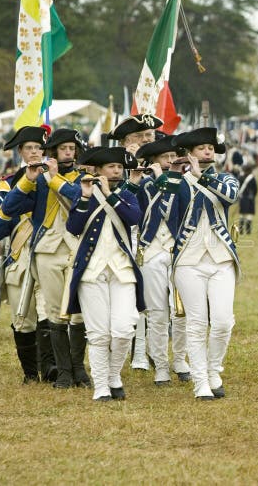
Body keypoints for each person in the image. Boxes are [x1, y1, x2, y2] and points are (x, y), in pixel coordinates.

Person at [0, 128, 87, 390]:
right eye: (64, 149)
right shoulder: (36, 180)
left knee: (78, 313)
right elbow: (10, 208)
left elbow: (79, 197)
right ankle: (62, 372)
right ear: (54, 152)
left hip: (76, 249)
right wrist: (27, 179)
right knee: (54, 314)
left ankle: (78, 369)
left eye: (72, 149)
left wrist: (53, 177)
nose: (69, 153)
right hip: (47, 251)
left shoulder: (83, 178)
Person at [65, 147, 145, 401]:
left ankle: (113, 376)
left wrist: (109, 195)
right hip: (91, 272)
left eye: (119, 167)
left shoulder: (128, 194)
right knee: (99, 334)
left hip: (122, 271)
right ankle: (101, 386)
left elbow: (134, 218)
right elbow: (73, 227)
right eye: (111, 167)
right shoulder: (84, 193)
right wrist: (87, 197)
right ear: (98, 170)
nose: (117, 170)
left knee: (123, 329)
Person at [166, 127, 240, 400]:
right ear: (189, 153)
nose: (207, 151)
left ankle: (214, 369)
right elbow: (163, 211)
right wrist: (175, 176)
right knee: (197, 323)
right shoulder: (177, 181)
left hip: (221, 257)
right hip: (188, 258)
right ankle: (201, 382)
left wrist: (199, 176)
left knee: (222, 321)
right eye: (201, 148)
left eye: (210, 147)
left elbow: (230, 196)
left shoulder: (226, 178)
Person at [0, 126, 57, 384]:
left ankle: (51, 368)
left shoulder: (55, 179)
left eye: (39, 148)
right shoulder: (9, 183)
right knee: (23, 319)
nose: (35, 153)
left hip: (49, 253)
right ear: (20, 152)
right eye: (29, 148)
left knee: (49, 311)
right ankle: (30, 373)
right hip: (20, 256)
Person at [134, 135, 192, 386]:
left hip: (179, 251)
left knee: (182, 311)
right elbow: (136, 214)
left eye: (172, 157)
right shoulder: (144, 185)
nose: (170, 161)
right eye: (164, 158)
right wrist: (156, 179)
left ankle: (180, 359)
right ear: (153, 161)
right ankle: (160, 364)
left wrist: (167, 179)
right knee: (157, 312)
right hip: (152, 252)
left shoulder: (185, 183)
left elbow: (180, 210)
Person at [109, 113, 163, 372]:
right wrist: (132, 166)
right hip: (121, 234)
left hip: (153, 238)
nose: (146, 141)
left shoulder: (162, 162)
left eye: (149, 137)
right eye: (139, 137)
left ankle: (143, 351)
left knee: (148, 297)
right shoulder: (114, 165)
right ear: (124, 143)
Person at [237, 164, 257, 235]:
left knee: (242, 215)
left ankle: (241, 230)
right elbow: (255, 189)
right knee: (249, 215)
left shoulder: (240, 177)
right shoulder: (252, 178)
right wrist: (253, 196)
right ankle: (248, 231)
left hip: (242, 198)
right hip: (250, 199)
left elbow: (238, 187)